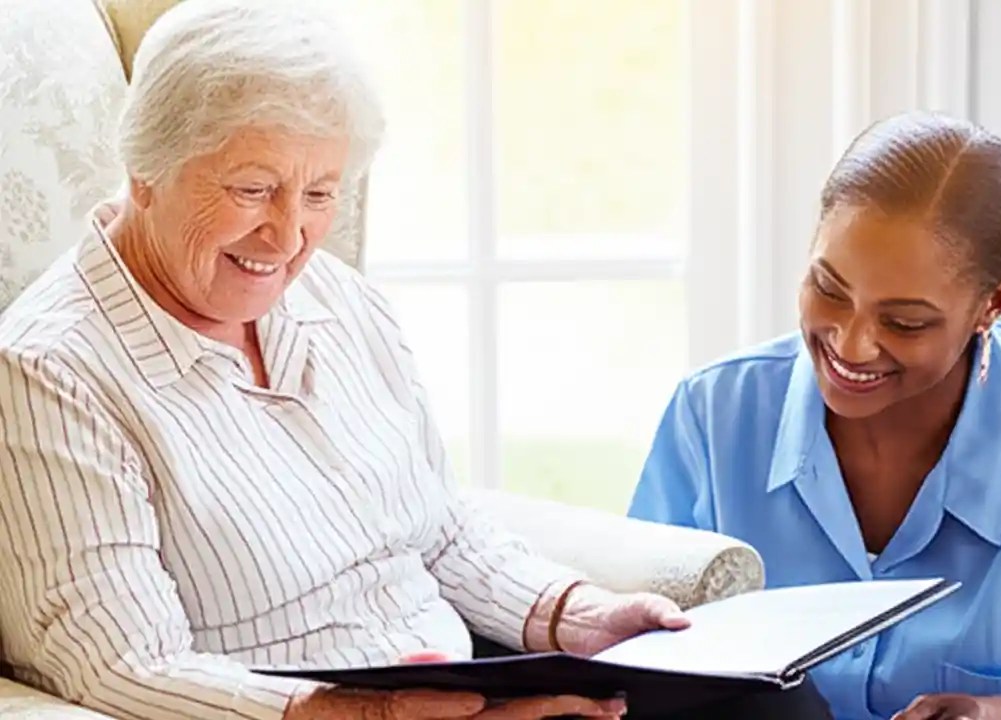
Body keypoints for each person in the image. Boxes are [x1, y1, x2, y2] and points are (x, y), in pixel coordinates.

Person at [0, 2, 831, 719]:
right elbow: (119, 663)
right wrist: (375, 713)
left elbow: (438, 531)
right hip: (311, 710)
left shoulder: (337, 301)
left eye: (320, 194)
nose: (288, 238)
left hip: (450, 676)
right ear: (148, 171)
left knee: (773, 701)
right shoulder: (53, 372)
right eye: (253, 190)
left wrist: (573, 617)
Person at [629, 111, 1001, 720]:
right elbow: (633, 664)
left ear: (994, 303)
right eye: (829, 288)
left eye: (904, 322)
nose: (852, 345)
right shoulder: (713, 416)